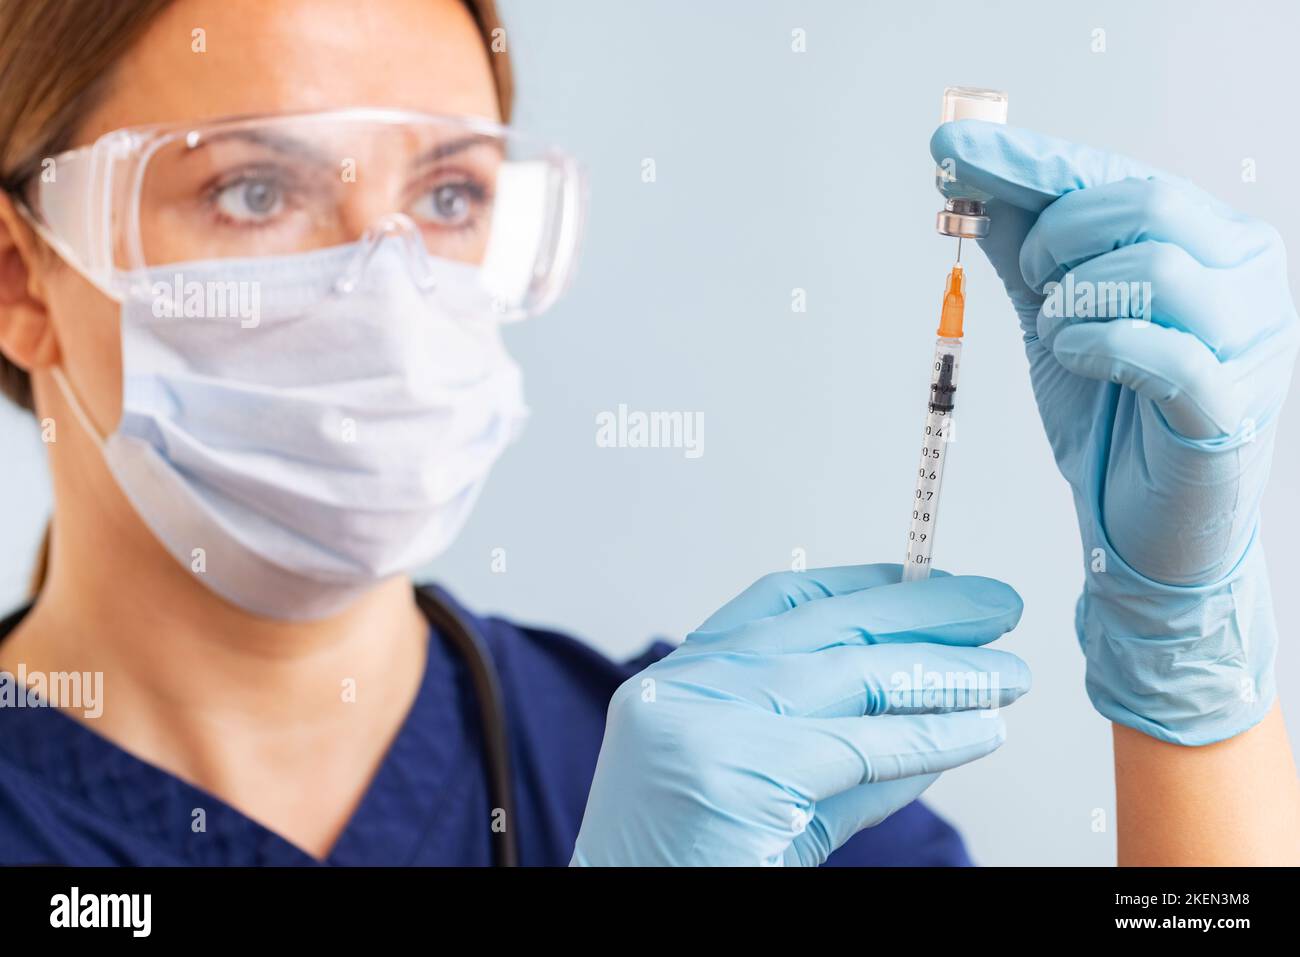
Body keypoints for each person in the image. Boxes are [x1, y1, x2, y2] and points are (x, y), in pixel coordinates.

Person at [0, 0, 1294, 868]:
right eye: (253, 187)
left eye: (450, 192)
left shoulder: (770, 792)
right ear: (20, 279)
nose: (386, 280)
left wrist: (1187, 688)